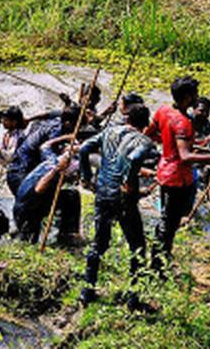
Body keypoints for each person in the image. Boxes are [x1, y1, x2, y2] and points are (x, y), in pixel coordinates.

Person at [78, 105, 160, 307]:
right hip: (123, 197)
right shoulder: (144, 140)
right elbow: (134, 158)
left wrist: (86, 176)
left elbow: (83, 148)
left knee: (99, 243)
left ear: (127, 119)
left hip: (103, 192)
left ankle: (87, 291)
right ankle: (134, 299)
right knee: (137, 246)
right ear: (145, 123)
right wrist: (130, 181)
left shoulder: (109, 131)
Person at [148, 76, 210, 271]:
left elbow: (150, 133)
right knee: (169, 223)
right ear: (188, 97)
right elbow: (186, 156)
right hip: (177, 177)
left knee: (167, 218)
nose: (198, 97)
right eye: (195, 94)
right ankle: (158, 266)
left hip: (164, 170)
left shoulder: (163, 111)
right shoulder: (183, 122)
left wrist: (168, 144)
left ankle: (160, 259)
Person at [13, 145, 81, 244]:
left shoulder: (51, 158)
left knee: (71, 195)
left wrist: (72, 145)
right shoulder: (55, 172)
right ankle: (23, 234)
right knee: (29, 239)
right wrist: (57, 169)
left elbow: (45, 145)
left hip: (40, 201)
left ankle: (67, 234)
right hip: (27, 210)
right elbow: (39, 188)